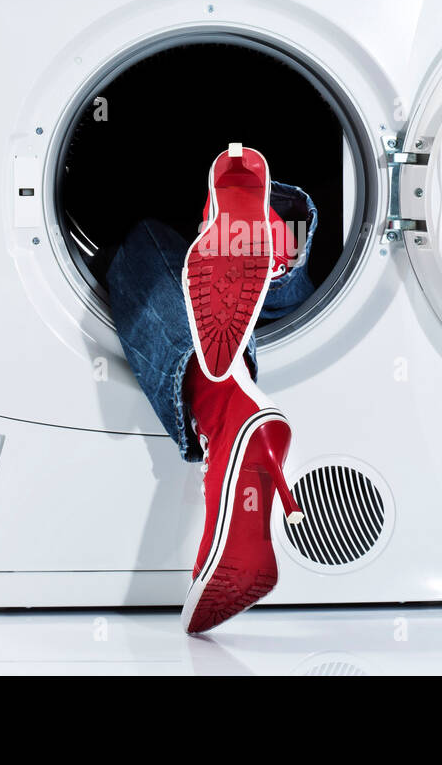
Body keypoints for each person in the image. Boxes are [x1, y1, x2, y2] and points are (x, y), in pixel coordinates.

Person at [106, 144, 317, 634]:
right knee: (265, 300)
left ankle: (227, 411)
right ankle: (278, 240)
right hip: (282, 280)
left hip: (185, 249)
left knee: (140, 243)